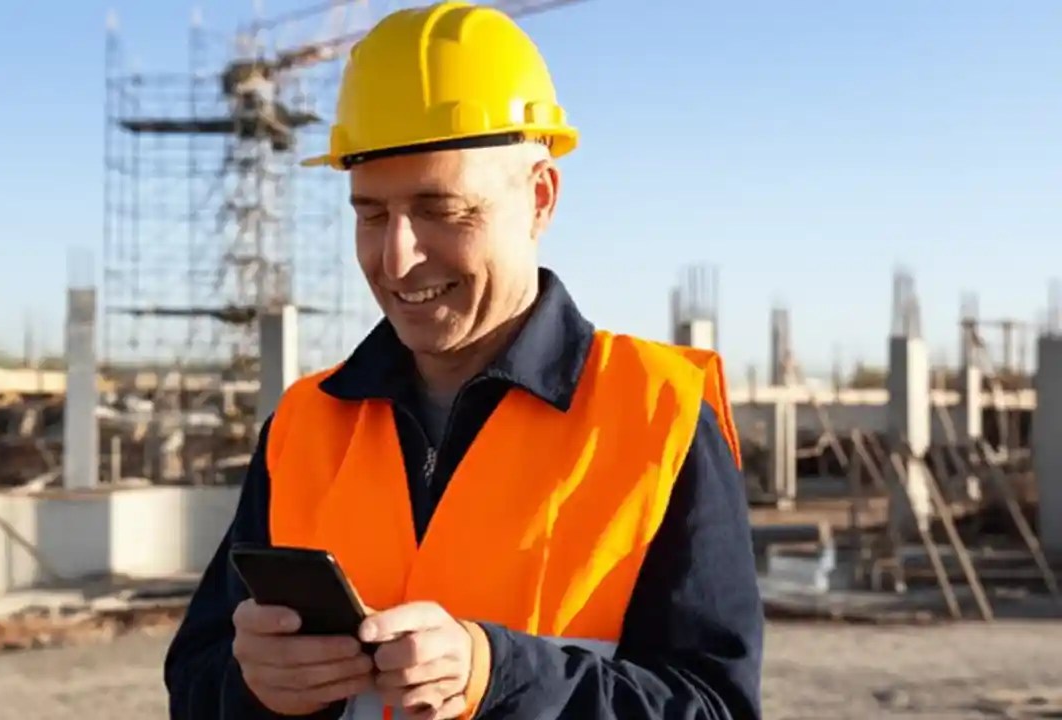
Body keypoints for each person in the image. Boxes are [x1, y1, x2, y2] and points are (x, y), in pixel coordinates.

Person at [164, 2, 764, 718]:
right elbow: (195, 683)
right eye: (371, 214)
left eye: (441, 209)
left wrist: (497, 675)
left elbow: (715, 706)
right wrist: (251, 689)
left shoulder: (659, 418)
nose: (397, 257)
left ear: (539, 197)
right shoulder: (304, 426)